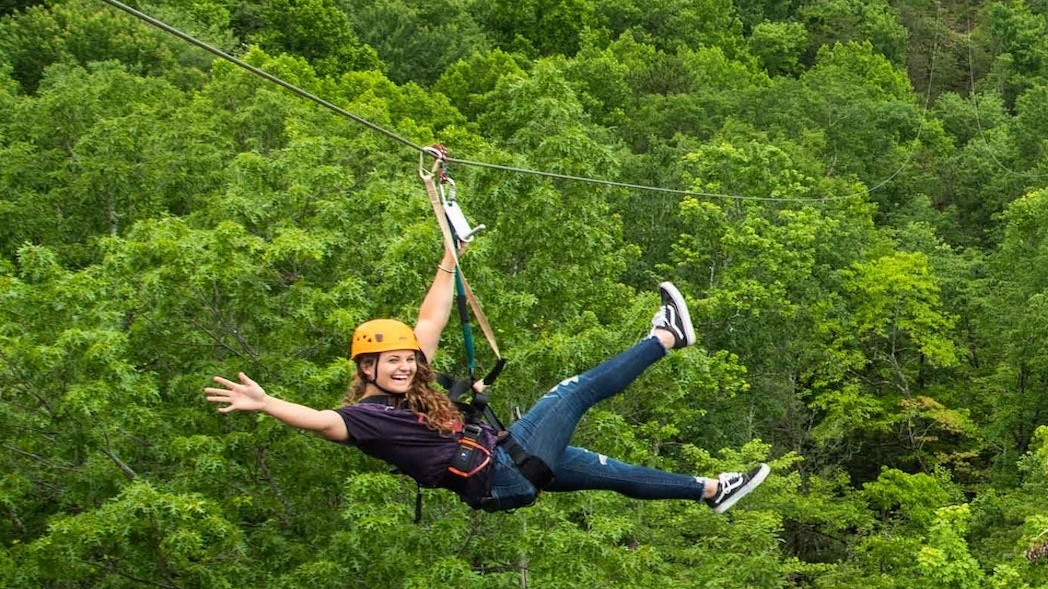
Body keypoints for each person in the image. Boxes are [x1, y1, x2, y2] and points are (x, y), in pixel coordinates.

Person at [205, 207, 768, 515]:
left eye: (406, 360)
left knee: (612, 474)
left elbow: (430, 321)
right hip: (501, 473)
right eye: (391, 362)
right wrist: (267, 403)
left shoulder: (410, 389)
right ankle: (667, 337)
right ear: (365, 371)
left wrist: (450, 258)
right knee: (571, 391)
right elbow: (320, 421)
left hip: (505, 473)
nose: (404, 367)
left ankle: (712, 491)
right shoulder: (365, 419)